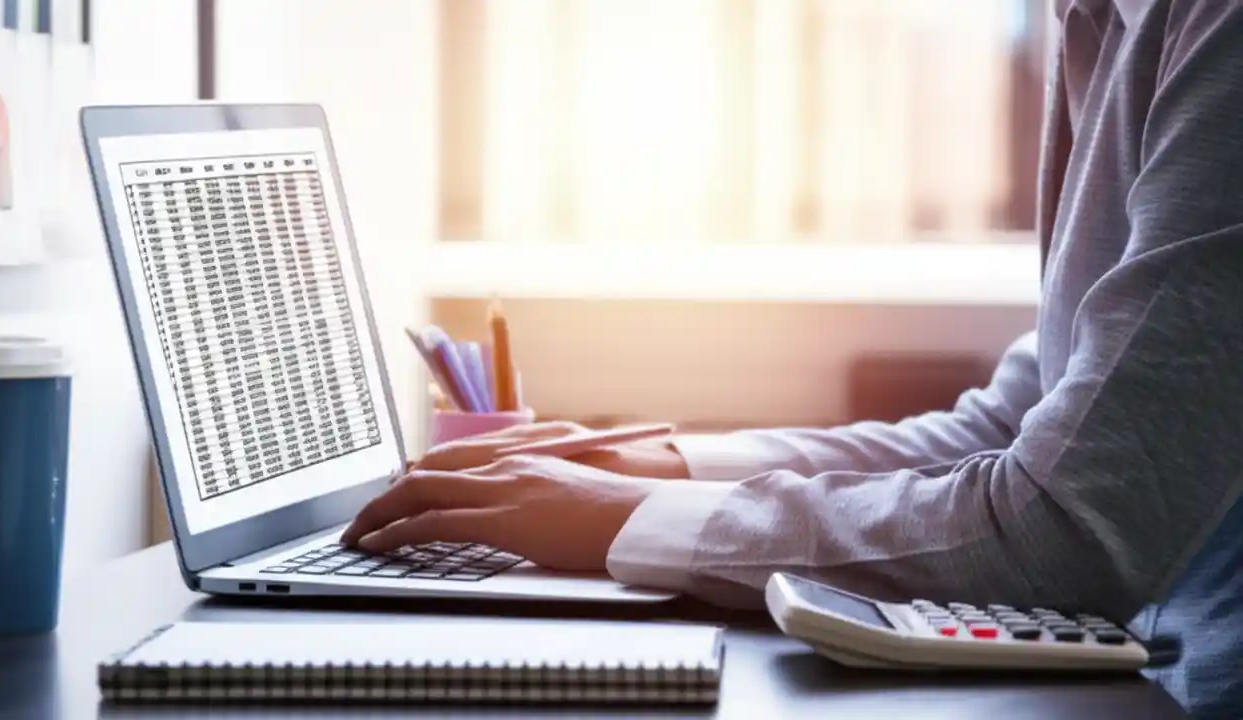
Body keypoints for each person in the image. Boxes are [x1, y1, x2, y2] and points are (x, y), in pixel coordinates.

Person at [343, 0, 1243, 715]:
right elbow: (1023, 420)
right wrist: (654, 462)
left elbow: (1068, 524)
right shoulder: (1106, 16)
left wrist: (633, 515)